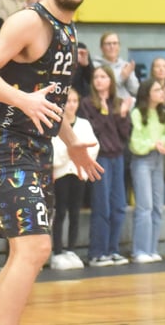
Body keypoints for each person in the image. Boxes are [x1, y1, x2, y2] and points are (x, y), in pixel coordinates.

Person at [0, 0, 102, 324]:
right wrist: (20, 100)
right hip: (6, 146)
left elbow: (48, 101)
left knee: (22, 254)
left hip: (36, 148)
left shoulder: (68, 29)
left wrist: (71, 139)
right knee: (35, 249)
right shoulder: (30, 21)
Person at [80, 64, 132, 266]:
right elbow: (94, 131)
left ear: (111, 80)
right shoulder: (87, 104)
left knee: (119, 205)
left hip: (117, 157)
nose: (99, 80)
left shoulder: (117, 103)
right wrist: (103, 111)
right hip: (99, 157)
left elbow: (124, 134)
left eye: (103, 77)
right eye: (96, 77)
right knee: (102, 205)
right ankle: (96, 252)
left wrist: (122, 114)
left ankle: (113, 250)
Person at [50, 87, 99, 271]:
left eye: (74, 101)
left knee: (75, 212)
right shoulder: (56, 123)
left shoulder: (84, 124)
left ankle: (71, 249)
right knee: (60, 211)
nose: (71, 105)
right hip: (62, 172)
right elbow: (54, 147)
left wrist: (82, 160)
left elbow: (93, 146)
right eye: (68, 101)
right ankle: (58, 251)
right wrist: (69, 155)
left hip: (79, 173)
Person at [129, 79, 165, 263]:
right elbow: (135, 141)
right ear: (147, 93)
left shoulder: (163, 114)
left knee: (157, 206)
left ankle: (152, 248)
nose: (161, 93)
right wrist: (152, 144)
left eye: (162, 90)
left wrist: (164, 143)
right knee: (144, 206)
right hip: (142, 160)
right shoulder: (138, 113)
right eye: (157, 90)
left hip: (158, 159)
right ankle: (140, 250)